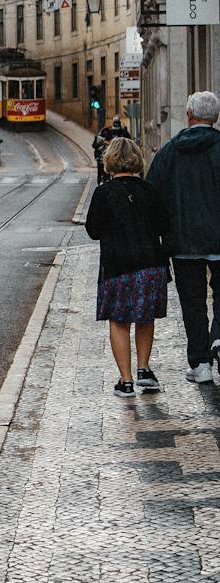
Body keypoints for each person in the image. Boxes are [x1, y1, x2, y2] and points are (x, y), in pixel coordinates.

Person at [85, 137, 170, 397]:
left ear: (109, 160)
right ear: (136, 159)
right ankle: (144, 369)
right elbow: (164, 226)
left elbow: (93, 231)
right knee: (145, 318)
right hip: (150, 265)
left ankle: (126, 380)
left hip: (117, 268)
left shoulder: (104, 193)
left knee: (119, 321)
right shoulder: (150, 190)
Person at [147, 89, 220, 383]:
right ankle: (218, 338)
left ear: (190, 115)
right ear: (215, 118)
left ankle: (200, 364)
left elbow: (152, 194)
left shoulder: (169, 151)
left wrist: (162, 233)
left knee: (192, 301)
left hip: (182, 242)